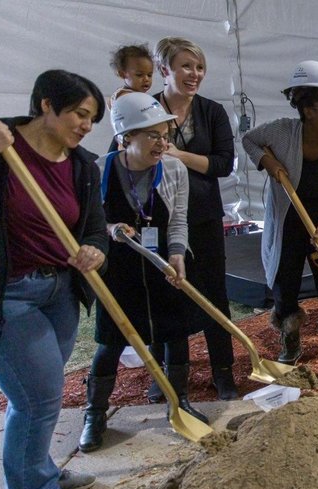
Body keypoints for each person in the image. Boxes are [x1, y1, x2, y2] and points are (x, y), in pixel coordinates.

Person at [0, 69, 106, 489]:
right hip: (9, 296)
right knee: (36, 398)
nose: (86, 125)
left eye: (92, 118)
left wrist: (95, 251)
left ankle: (39, 471)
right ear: (45, 105)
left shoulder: (82, 166)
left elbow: (93, 229)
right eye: (80, 113)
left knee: (44, 393)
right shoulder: (0, 145)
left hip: (60, 291)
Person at [80, 93, 207, 455]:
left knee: (174, 330)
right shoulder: (99, 170)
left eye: (164, 134)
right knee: (111, 340)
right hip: (118, 270)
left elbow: (179, 218)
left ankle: (178, 401)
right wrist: (109, 228)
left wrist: (178, 255)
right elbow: (85, 223)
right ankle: (96, 415)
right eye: (151, 136)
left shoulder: (174, 168)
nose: (162, 143)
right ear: (125, 138)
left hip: (162, 264)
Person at [133, 37, 238, 400]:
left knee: (214, 294)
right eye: (186, 67)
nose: (195, 74)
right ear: (165, 70)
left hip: (205, 217)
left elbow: (224, 164)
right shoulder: (145, 109)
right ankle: (170, 375)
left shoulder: (212, 112)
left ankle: (223, 372)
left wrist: (178, 155)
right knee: (167, 295)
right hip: (158, 218)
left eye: (199, 67)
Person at [242, 60, 318, 389]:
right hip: (288, 222)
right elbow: (250, 140)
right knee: (284, 288)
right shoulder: (279, 132)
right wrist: (269, 161)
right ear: (307, 110)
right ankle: (291, 344)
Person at [107, 44, 154, 108]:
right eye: (139, 75)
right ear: (122, 74)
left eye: (149, 75)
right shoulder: (124, 96)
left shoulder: (136, 95)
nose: (146, 79)